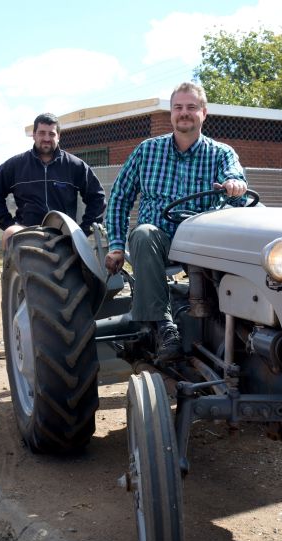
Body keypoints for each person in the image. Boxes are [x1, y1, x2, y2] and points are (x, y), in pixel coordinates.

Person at [104, 82, 248, 360]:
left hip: (203, 241)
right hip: (158, 240)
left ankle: (235, 323)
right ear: (171, 113)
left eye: (191, 107)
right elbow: (120, 197)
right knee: (144, 233)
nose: (184, 113)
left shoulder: (221, 153)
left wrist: (234, 184)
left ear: (204, 113)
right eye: (178, 107)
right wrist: (117, 246)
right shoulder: (147, 151)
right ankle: (162, 327)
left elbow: (234, 175)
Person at [0, 113, 106, 249]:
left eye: (51, 134)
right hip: (27, 232)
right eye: (42, 133)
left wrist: (83, 231)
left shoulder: (75, 166)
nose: (47, 138)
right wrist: (8, 223)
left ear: (58, 136)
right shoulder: (16, 165)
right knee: (10, 233)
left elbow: (97, 197)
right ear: (34, 135)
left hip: (64, 235)